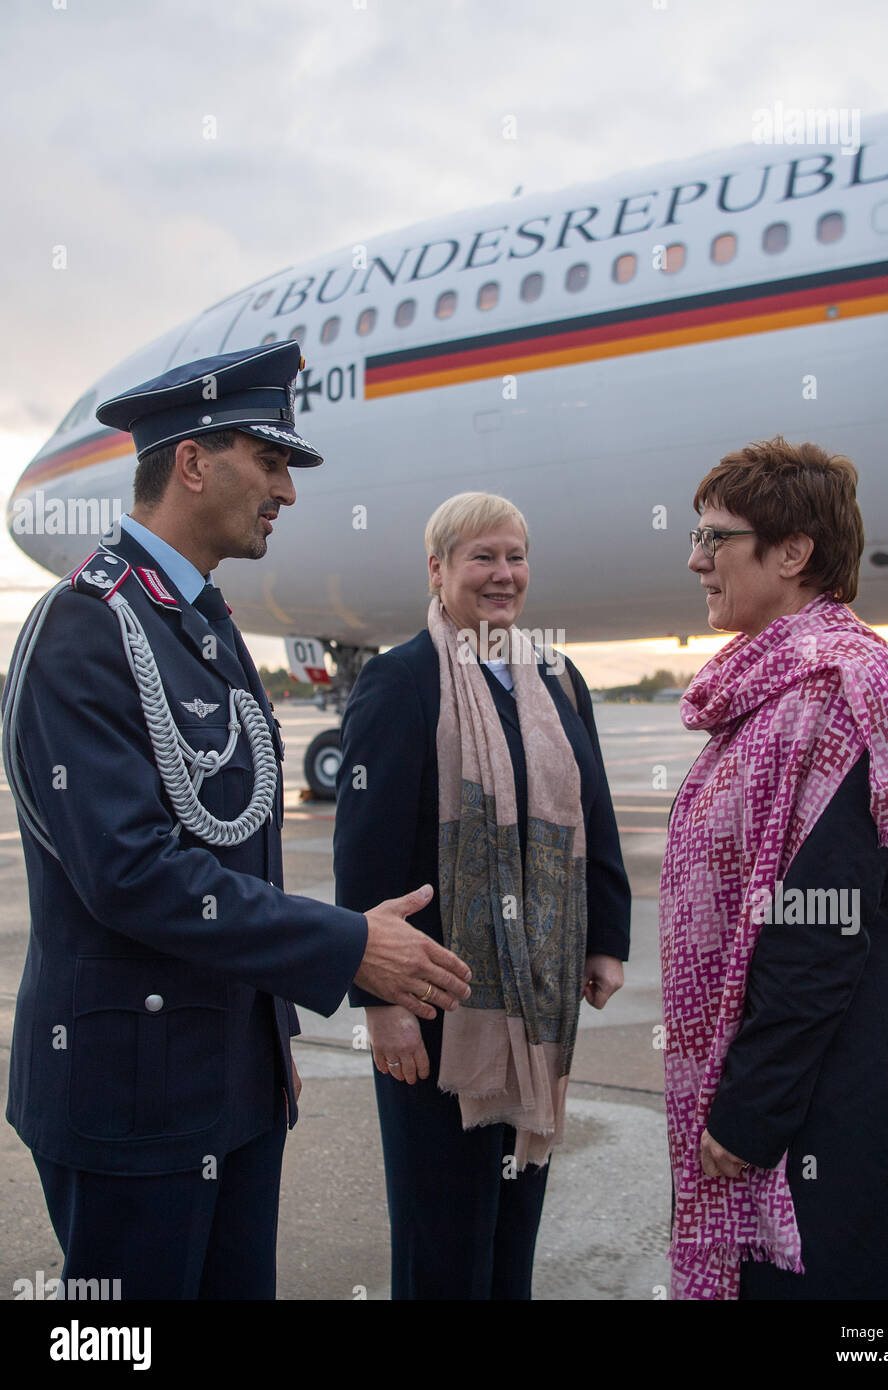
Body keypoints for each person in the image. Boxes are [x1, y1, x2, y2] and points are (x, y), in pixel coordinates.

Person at [1, 341, 470, 1300]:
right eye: (270, 462)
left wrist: (265, 1049)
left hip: (229, 1087)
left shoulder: (203, 623)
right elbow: (130, 871)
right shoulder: (86, 624)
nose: (287, 493)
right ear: (191, 462)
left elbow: (236, 846)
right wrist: (347, 947)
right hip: (133, 1095)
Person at [659, 436, 888, 1301]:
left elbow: (819, 929)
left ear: (791, 552)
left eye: (716, 537)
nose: (695, 559)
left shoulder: (840, 689)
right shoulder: (771, 687)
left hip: (819, 1100)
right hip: (798, 1077)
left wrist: (750, 1113)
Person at [333, 491, 631, 1300]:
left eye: (514, 557)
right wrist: (378, 1001)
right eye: (482, 558)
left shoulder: (556, 678)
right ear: (438, 570)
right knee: (442, 1235)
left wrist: (604, 936)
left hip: (534, 1002)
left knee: (511, 1228)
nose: (503, 575)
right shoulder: (401, 682)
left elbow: (590, 812)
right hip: (434, 1006)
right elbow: (364, 859)